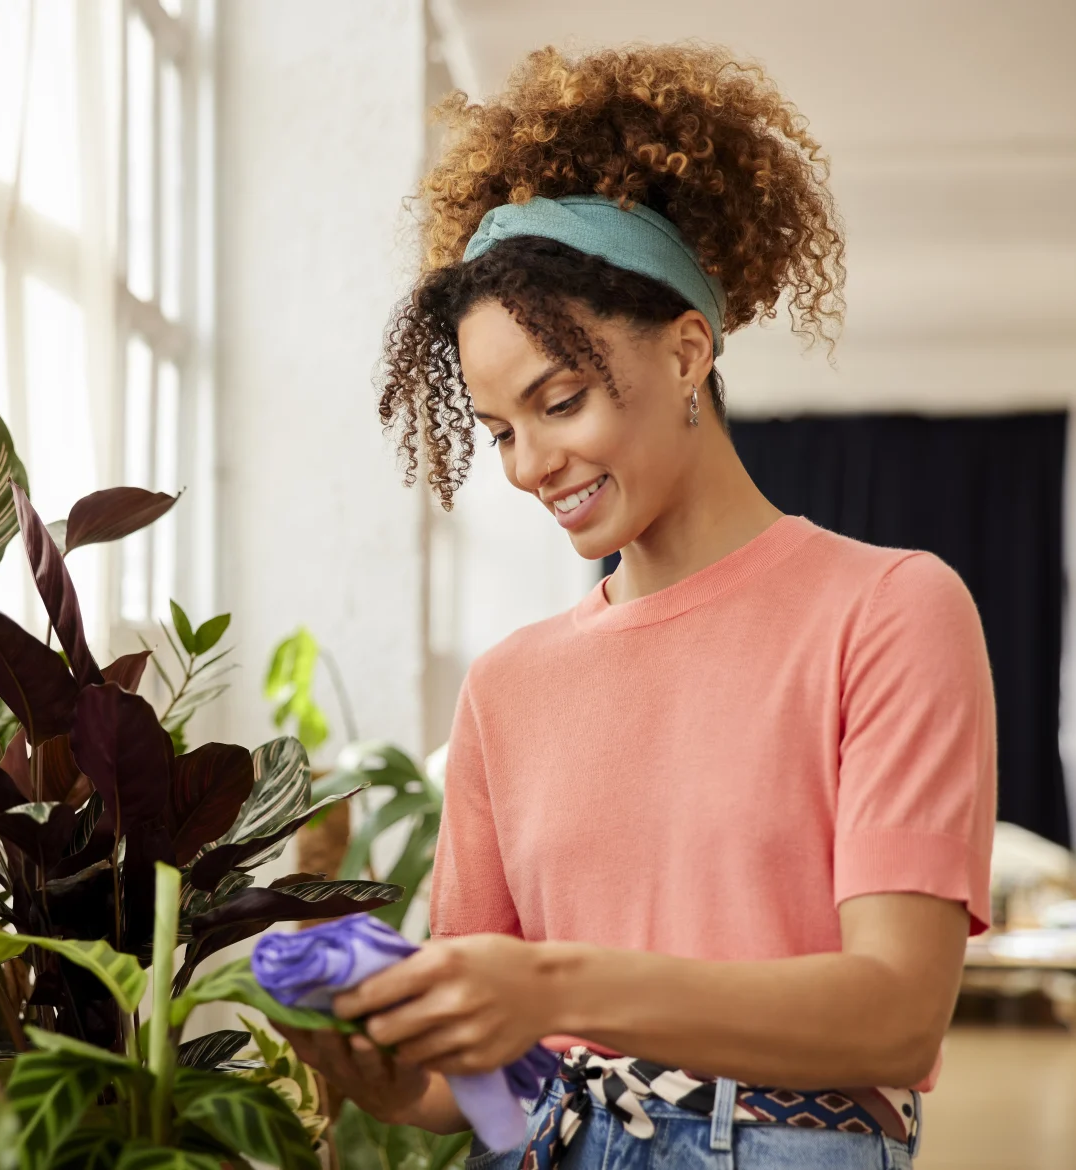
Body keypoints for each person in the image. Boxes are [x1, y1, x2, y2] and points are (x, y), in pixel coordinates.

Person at [278, 42, 997, 1169]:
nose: (526, 465)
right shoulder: (507, 688)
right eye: (501, 430)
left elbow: (897, 1013)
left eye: (558, 400)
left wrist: (555, 983)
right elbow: (485, 1080)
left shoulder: (891, 611)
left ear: (688, 351)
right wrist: (385, 1063)